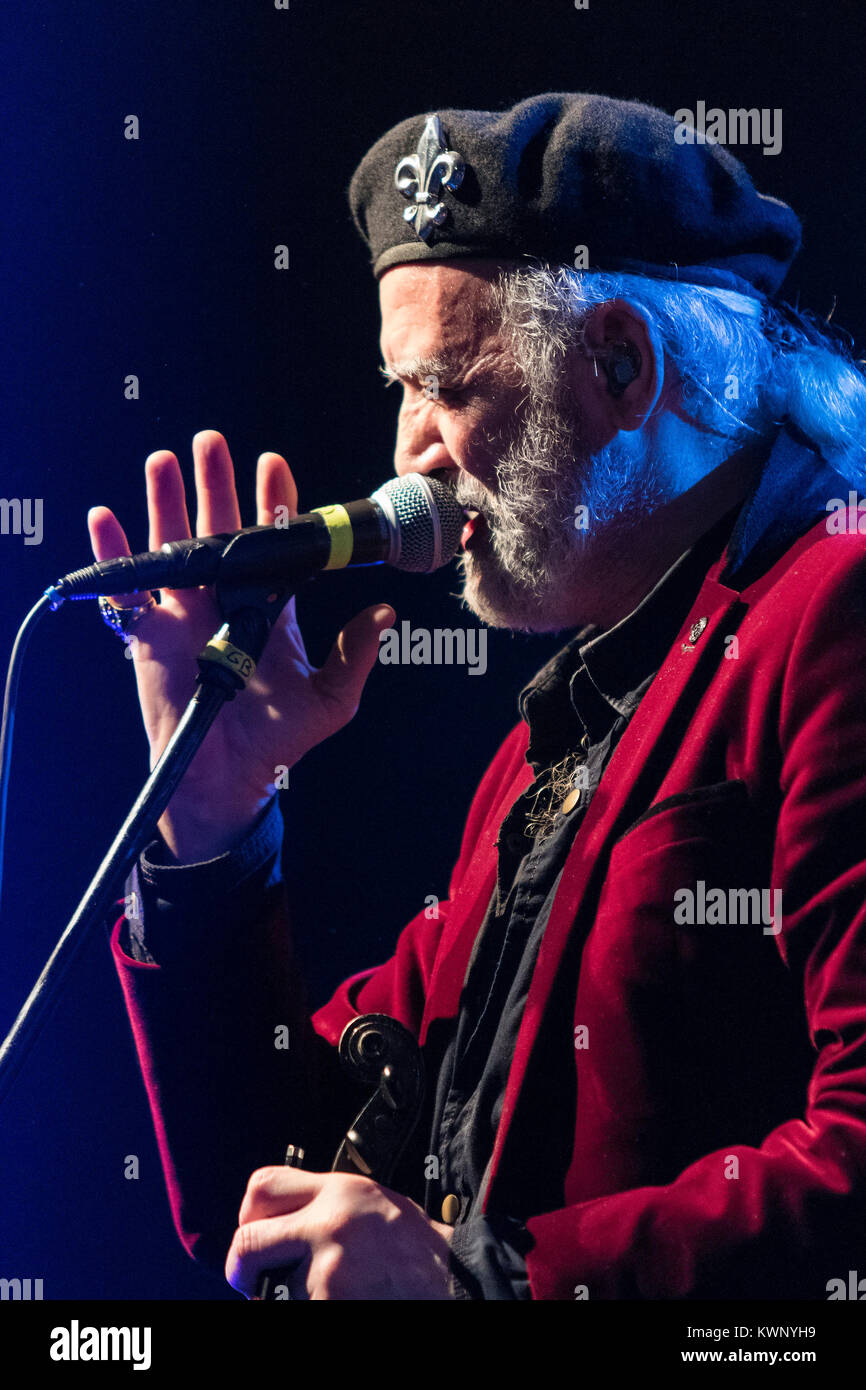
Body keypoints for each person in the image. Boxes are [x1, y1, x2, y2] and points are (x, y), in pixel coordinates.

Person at [93, 93, 866, 1299]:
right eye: (402, 390)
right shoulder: (553, 740)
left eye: (445, 386)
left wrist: (485, 1283)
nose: (410, 450)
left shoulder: (832, 608)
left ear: (617, 365)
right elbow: (268, 1184)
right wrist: (213, 815)